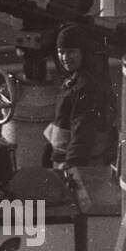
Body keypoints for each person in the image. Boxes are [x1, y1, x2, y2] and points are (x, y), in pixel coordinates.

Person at [45, 25, 117, 169]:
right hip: (69, 157)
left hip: (82, 164)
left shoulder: (86, 87)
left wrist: (70, 166)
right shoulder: (75, 78)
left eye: (71, 52)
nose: (65, 58)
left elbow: (83, 130)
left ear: (83, 52)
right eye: (61, 52)